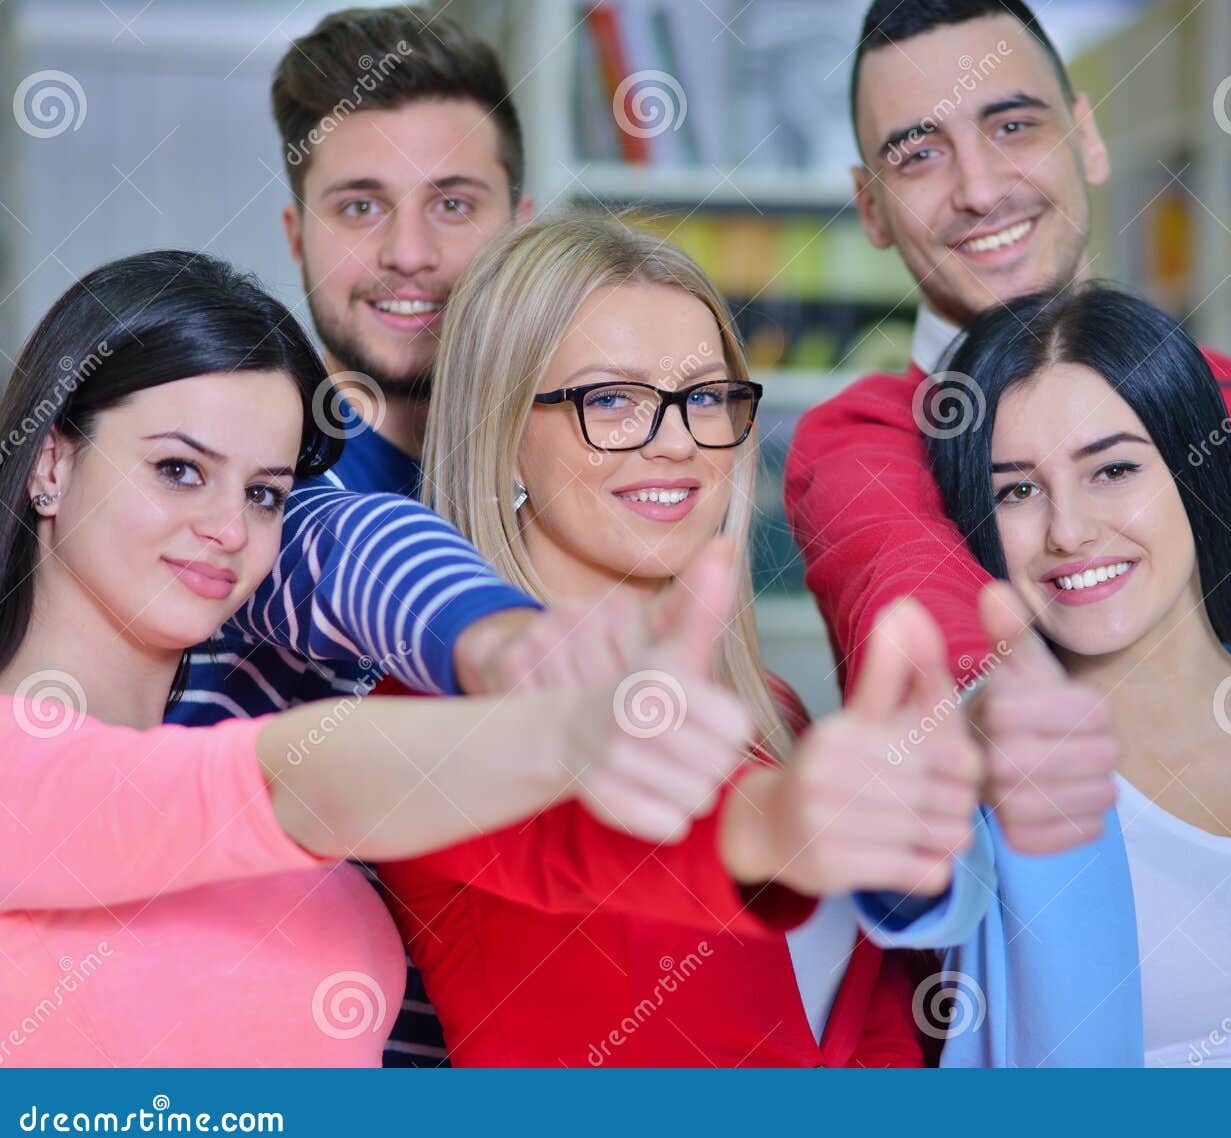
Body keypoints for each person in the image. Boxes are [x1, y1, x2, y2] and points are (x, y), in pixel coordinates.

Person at [0, 251, 750, 1066]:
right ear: (52, 461)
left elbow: (345, 541)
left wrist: (784, 823)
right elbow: (293, 778)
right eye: (178, 471)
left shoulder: (278, 715)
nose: (227, 528)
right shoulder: (81, 764)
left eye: (265, 494)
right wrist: (552, 711)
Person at [377, 215, 984, 1066]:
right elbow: (641, 852)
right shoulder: (435, 714)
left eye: (705, 397)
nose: (676, 442)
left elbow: (874, 1021)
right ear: (504, 436)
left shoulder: (775, 714)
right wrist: (789, 824)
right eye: (612, 400)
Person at [857, 284, 1231, 1068]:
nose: (1069, 531)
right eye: (1016, 490)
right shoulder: (993, 751)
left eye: (1112, 470)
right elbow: (908, 891)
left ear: (1196, 471)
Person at [168, 6, 556, 1064]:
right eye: (359, 206)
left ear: (517, 224)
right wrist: (507, 646)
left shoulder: (586, 479)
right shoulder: (245, 502)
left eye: (453, 203)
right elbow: (348, 553)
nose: (410, 254)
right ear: (297, 233)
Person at [785, 0, 1231, 701]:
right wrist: (998, 715)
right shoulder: (858, 441)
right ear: (871, 208)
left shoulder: (1221, 390)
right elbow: (914, 605)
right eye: (919, 155)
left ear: (1088, 137)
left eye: (1014, 127)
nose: (982, 192)